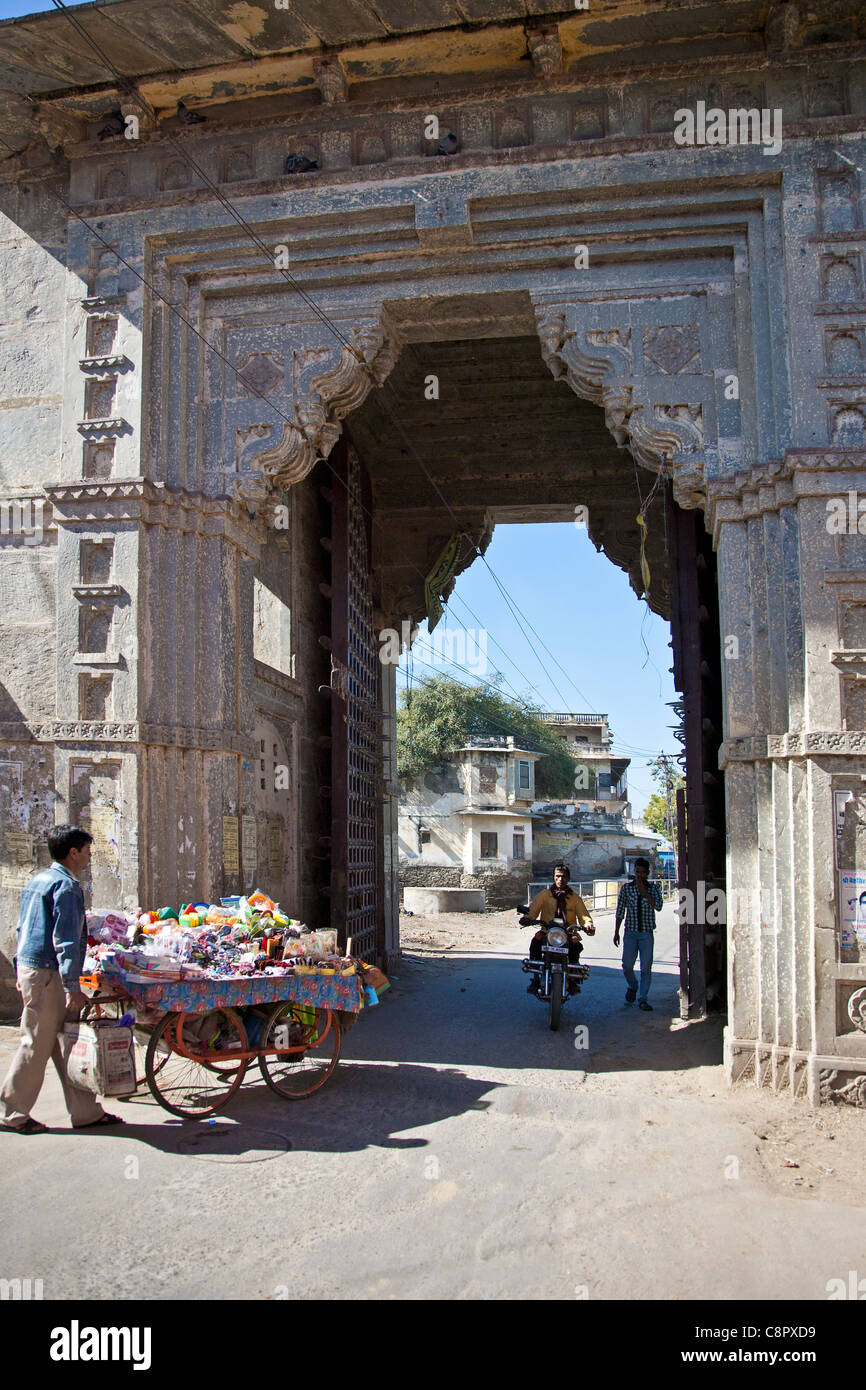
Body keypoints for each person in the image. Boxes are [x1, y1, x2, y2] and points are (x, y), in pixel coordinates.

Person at [0, 825, 125, 1133]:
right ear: (73, 853)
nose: (89, 855)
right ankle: (11, 1112)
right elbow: (65, 942)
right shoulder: (66, 887)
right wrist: (73, 987)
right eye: (87, 850)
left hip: (34, 969)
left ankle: (86, 1113)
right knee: (37, 1044)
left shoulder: (39, 881)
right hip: (48, 974)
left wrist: (21, 969)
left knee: (68, 1044)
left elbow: (22, 930)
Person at [519, 863, 594, 994]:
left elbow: (584, 916)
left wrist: (588, 924)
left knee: (575, 946)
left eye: (564, 877)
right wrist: (527, 918)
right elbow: (533, 911)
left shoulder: (575, 898)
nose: (560, 879)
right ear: (553, 877)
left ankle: (572, 978)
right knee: (535, 942)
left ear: (569, 878)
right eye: (558, 876)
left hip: (568, 933)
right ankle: (536, 978)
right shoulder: (544, 895)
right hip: (547, 932)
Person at [614, 857, 663, 1011]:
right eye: (637, 872)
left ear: (647, 873)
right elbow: (620, 911)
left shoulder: (653, 889)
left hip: (646, 934)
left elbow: (659, 906)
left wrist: (645, 893)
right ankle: (633, 985)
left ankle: (643, 999)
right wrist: (616, 931)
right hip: (630, 933)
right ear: (634, 872)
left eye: (642, 872)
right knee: (627, 965)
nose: (639, 875)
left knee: (646, 968)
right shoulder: (627, 889)